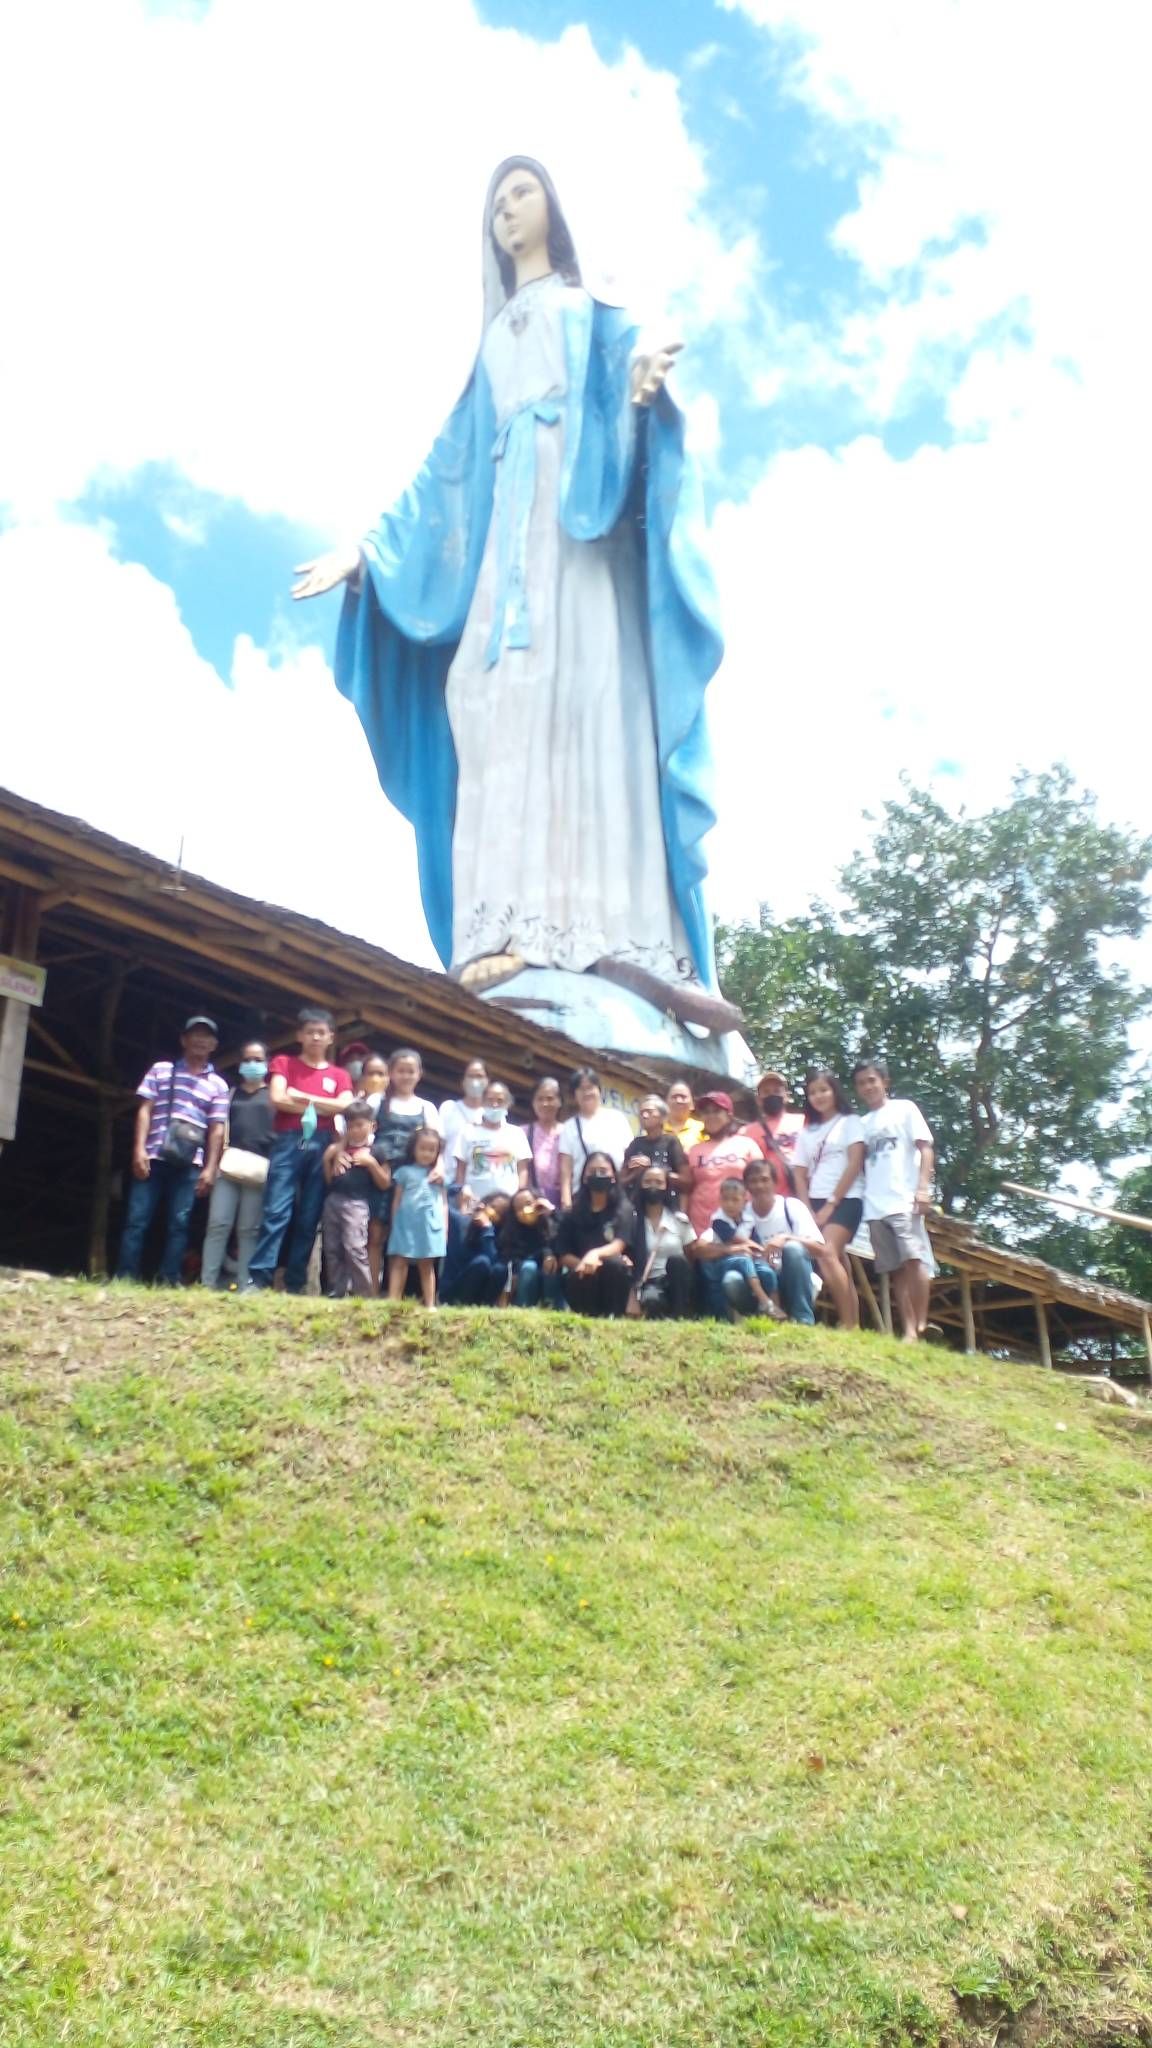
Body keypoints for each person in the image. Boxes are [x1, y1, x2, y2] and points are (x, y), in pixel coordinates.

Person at [296, 156, 739, 1037]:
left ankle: (619, 934)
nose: (507, 211)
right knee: (491, 708)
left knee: (590, 707)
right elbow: (443, 475)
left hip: (581, 549)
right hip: (506, 563)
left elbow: (636, 353)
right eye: (496, 202)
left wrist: (647, 376)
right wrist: (368, 553)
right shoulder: (494, 342)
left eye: (522, 193)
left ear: (556, 209)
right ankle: (501, 927)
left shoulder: (587, 309)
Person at [246, 1008, 354, 1293]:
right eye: (310, 1031)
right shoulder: (284, 1063)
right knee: (276, 1211)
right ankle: (259, 1277)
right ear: (299, 1035)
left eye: (321, 1032)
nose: (316, 1037)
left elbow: (345, 1106)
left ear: (331, 1037)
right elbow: (278, 1098)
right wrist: (322, 1105)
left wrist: (301, 1097)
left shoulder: (339, 1074)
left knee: (309, 1217)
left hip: (324, 1143)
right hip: (288, 1140)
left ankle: (295, 1282)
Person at [116, 1014, 229, 1284]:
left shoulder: (218, 1085)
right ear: (183, 1040)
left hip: (191, 1162)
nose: (200, 1040)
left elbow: (217, 1129)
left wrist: (211, 1168)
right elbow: (145, 1111)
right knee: (136, 1219)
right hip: (154, 1155)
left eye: (206, 1036)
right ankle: (125, 1277)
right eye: (195, 1034)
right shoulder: (161, 1070)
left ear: (214, 1044)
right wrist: (139, 1150)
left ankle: (169, 1277)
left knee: (179, 1223)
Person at [853, 1058, 937, 1343]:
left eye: (872, 1080)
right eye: (862, 1083)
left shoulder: (904, 1109)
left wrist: (923, 1189)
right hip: (875, 1206)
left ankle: (924, 1322)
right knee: (896, 1270)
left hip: (903, 1200)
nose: (867, 1087)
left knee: (915, 1259)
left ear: (884, 1082)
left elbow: (926, 1149)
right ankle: (910, 1330)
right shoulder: (861, 1125)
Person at [791, 1068, 865, 1330]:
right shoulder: (807, 1130)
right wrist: (807, 1208)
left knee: (826, 1253)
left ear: (835, 1091)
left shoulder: (850, 1121)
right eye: (812, 1092)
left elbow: (855, 1162)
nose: (818, 1096)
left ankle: (847, 1324)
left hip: (847, 1198)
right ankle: (853, 1323)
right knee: (838, 1260)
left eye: (823, 1089)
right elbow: (799, 1172)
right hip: (814, 1200)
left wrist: (832, 1202)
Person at [200, 1039, 274, 1291]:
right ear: (240, 1063)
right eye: (247, 1060)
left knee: (249, 1230)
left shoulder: (275, 1097)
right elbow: (218, 1131)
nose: (252, 1064)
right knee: (218, 1224)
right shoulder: (230, 1094)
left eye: (258, 1060)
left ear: (268, 1063)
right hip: (228, 1166)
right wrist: (212, 1166)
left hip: (260, 1169)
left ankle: (246, 1284)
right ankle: (207, 1282)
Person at [367, 1048, 442, 1289]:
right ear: (391, 1073)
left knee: (404, 1235)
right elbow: (359, 1130)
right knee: (376, 1233)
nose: (406, 1076)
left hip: (412, 1180)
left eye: (411, 1071)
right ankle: (371, 1291)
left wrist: (439, 1167)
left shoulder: (426, 1107)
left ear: (419, 1074)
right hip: (380, 1173)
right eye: (400, 1071)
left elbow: (436, 1143)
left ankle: (396, 1292)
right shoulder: (377, 1101)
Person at [321, 1100, 392, 1298]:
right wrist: (328, 1159)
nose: (355, 1130)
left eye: (360, 1125)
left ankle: (364, 1292)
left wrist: (371, 1164)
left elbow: (385, 1182)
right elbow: (328, 1179)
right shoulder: (338, 1149)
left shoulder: (376, 1151)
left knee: (354, 1247)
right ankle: (337, 1289)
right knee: (332, 1247)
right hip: (333, 1200)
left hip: (357, 1204)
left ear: (372, 1126)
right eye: (350, 1126)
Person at [555, 1151, 634, 1317]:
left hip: (613, 1274)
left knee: (615, 1264)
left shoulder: (623, 1209)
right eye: (592, 1171)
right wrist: (585, 1264)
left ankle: (614, 1317)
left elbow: (620, 1243)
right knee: (581, 1277)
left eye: (603, 1171)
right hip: (581, 1272)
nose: (598, 1175)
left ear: (613, 1176)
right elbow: (563, 1253)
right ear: (584, 1177)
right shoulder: (572, 1213)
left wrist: (594, 1255)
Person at [682, 1092, 763, 1238]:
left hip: (744, 1227)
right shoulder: (693, 1151)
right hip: (703, 1230)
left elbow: (762, 1182)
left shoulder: (746, 1144)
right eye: (706, 1112)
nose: (711, 1116)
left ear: (729, 1115)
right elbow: (686, 1190)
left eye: (717, 1111)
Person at [387, 1126, 449, 1308]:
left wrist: (444, 1227)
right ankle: (393, 1300)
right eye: (422, 1148)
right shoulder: (404, 1172)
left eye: (432, 1150)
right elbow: (396, 1200)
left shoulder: (439, 1176)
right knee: (399, 1262)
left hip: (429, 1226)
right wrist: (394, 1222)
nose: (426, 1153)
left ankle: (430, 1304)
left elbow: (444, 1203)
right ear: (413, 1149)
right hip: (405, 1224)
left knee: (426, 1265)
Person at [558, 1067, 634, 1207]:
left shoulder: (617, 1119)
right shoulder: (569, 1127)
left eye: (590, 1087)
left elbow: (629, 1156)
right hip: (583, 1197)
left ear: (599, 1090)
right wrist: (566, 1201)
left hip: (616, 1193)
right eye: (581, 1089)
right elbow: (565, 1170)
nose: (586, 1092)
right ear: (574, 1095)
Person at [628, 1165, 695, 1319]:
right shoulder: (632, 1221)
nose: (653, 1186)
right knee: (652, 1300)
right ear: (640, 1185)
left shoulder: (679, 1220)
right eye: (648, 1181)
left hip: (676, 1280)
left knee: (677, 1261)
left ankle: (681, 1315)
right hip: (649, 1282)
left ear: (666, 1186)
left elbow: (690, 1255)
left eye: (658, 1182)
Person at [451, 1080, 532, 1202]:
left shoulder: (517, 1133)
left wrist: (519, 1199)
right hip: (475, 1204)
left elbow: (522, 1170)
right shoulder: (468, 1132)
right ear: (482, 1102)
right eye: (490, 1100)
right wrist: (461, 1197)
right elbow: (460, 1170)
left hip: (508, 1205)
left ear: (508, 1104)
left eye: (500, 1101)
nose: (495, 1104)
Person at [440, 1191, 512, 1306]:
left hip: (480, 1295)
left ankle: (484, 1308)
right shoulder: (460, 1221)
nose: (493, 1213)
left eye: (500, 1213)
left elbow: (494, 1264)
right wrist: (460, 1190)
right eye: (492, 1207)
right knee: (481, 1262)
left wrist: (487, 1229)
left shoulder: (499, 1235)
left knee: (500, 1268)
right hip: (453, 1289)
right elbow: (441, 1202)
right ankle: (459, 1304)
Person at [743, 1070, 805, 1193]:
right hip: (770, 1201)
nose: (772, 1095)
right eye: (766, 1092)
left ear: (786, 1096)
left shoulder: (805, 1122)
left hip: (807, 1195)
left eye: (777, 1091)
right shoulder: (746, 1132)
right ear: (758, 1099)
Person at [501, 1187, 563, 1308]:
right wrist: (545, 1253)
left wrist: (552, 1211)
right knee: (529, 1267)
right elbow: (513, 1258)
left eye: (528, 1204)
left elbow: (568, 1234)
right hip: (525, 1275)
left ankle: (553, 1308)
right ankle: (523, 1309)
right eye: (518, 1208)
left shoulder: (551, 1222)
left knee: (552, 1268)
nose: (524, 1210)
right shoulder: (511, 1232)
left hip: (552, 1272)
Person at [622, 1095, 687, 1195]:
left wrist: (653, 1169)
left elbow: (687, 1181)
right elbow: (621, 1181)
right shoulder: (636, 1144)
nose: (644, 1116)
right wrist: (636, 1173)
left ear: (663, 1117)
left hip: (665, 1203)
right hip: (637, 1203)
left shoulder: (671, 1142)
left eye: (649, 1112)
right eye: (641, 1113)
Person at [525, 1075, 564, 1208]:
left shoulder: (568, 1133)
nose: (545, 1104)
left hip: (562, 1203)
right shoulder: (522, 1133)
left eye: (550, 1098)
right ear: (533, 1103)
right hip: (531, 1204)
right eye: (540, 1099)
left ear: (559, 1101)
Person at [439, 1059, 488, 1163]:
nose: (475, 1081)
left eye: (479, 1076)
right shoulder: (449, 1107)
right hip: (449, 1175)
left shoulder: (492, 1114)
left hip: (477, 1176)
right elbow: (439, 1144)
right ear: (463, 1081)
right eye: (471, 1076)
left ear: (487, 1081)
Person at [664, 1080, 704, 1152]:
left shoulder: (703, 1129)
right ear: (666, 1103)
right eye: (674, 1097)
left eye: (683, 1097)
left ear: (692, 1104)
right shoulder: (656, 1129)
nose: (678, 1101)